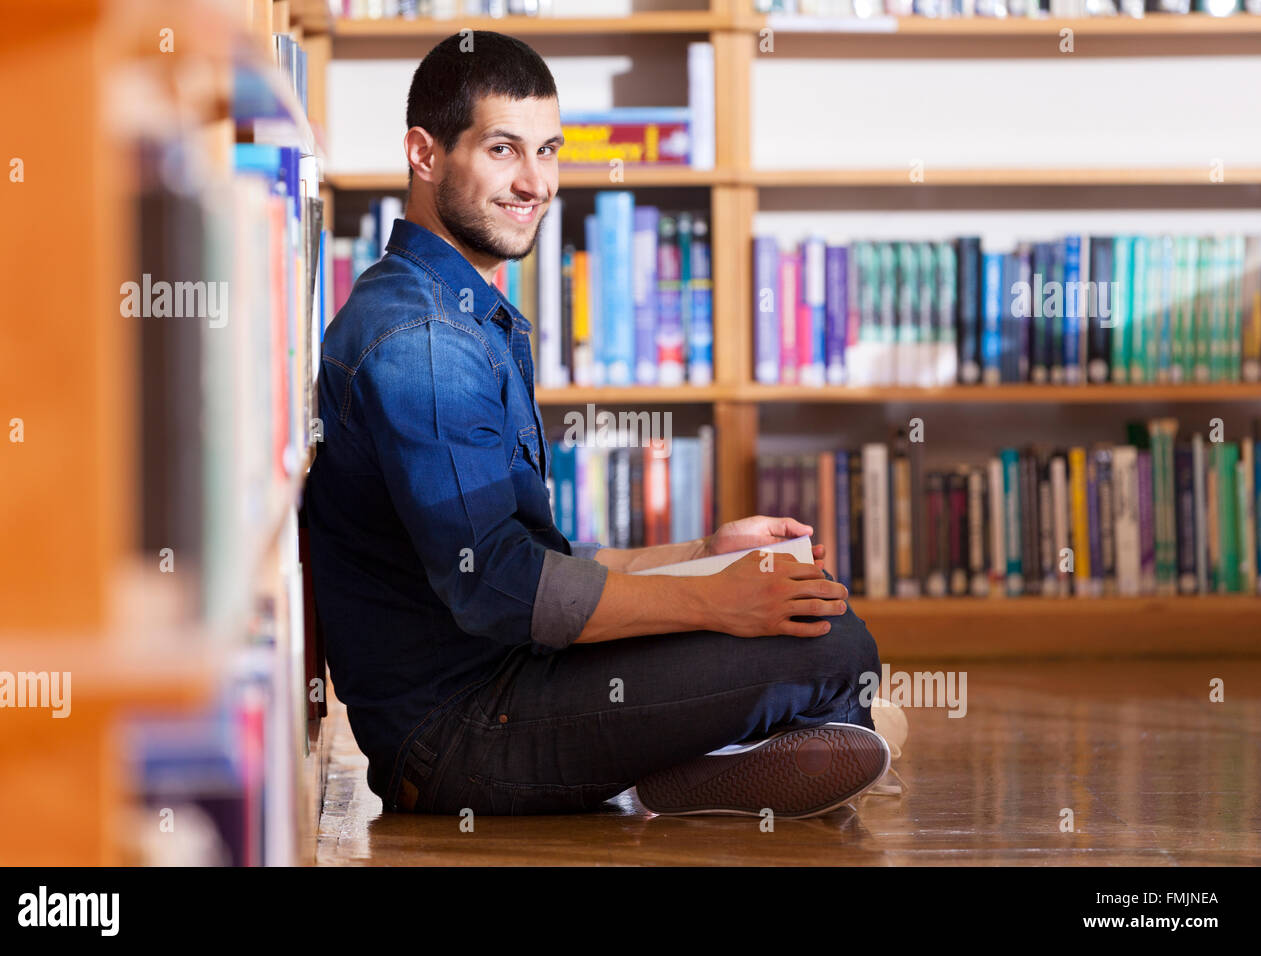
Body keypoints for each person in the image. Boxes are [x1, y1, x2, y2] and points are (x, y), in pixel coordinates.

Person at [305, 31, 890, 819]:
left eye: (549, 151)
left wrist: (700, 553)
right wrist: (715, 601)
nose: (535, 182)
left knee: (823, 631)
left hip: (508, 683)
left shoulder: (458, 311)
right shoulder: (422, 342)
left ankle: (722, 758)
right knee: (838, 651)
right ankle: (733, 751)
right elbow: (500, 585)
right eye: (504, 149)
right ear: (425, 153)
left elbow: (532, 560)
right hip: (461, 738)